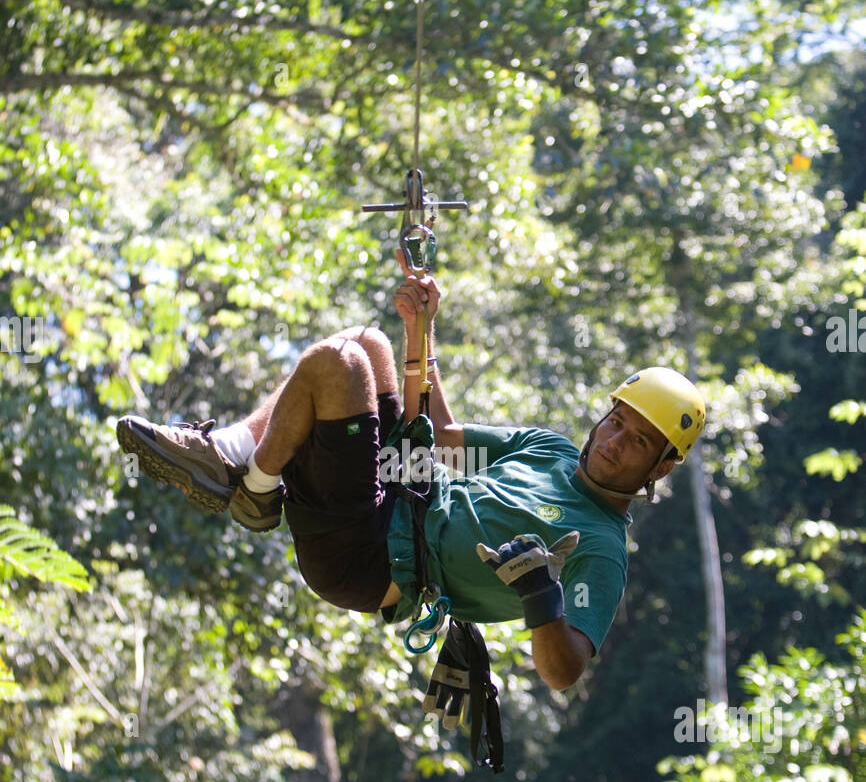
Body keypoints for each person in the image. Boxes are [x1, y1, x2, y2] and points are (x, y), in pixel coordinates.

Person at [117, 253, 705, 691]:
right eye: (617, 422)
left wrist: (541, 595)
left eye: (638, 442)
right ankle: (234, 457)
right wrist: (419, 329)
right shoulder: (548, 450)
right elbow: (445, 442)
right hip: (406, 489)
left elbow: (564, 670)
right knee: (365, 342)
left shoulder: (600, 547)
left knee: (335, 365)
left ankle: (253, 488)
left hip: (372, 558)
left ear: (663, 464)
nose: (614, 442)